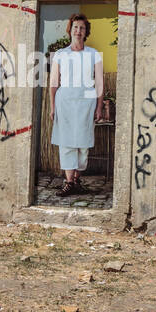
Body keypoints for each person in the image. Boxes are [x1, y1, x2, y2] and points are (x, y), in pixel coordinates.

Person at [49, 13, 104, 197]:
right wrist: (52, 107)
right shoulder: (60, 55)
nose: (78, 31)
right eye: (75, 27)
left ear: (86, 31)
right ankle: (69, 182)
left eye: (81, 28)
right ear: (70, 30)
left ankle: (76, 181)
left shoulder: (93, 54)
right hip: (64, 102)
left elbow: (99, 83)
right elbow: (54, 83)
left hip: (86, 103)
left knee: (83, 143)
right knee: (66, 143)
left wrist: (99, 107)